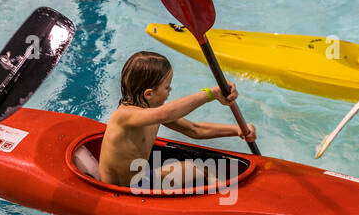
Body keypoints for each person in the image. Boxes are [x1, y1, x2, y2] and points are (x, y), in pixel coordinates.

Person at [99, 51, 255, 189]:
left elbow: (194, 129)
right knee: (203, 169)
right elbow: (164, 114)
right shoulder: (124, 115)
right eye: (167, 87)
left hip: (140, 179)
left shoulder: (150, 113)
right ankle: (222, 203)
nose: (170, 90)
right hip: (121, 188)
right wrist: (211, 94)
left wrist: (236, 130)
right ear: (149, 94)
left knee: (200, 168)